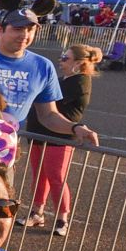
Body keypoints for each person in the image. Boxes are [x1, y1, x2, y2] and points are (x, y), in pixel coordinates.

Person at [0, 0, 100, 146]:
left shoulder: (43, 66)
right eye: (18, 29)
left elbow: (48, 115)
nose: (24, 35)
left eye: (30, 29)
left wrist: (75, 127)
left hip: (5, 152)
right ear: (1, 29)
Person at [23, 43, 100, 236]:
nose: (61, 60)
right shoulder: (62, 80)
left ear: (79, 63)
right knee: (39, 175)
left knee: (56, 178)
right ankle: (37, 212)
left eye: (66, 58)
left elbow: (49, 104)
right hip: (39, 134)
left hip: (59, 137)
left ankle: (62, 217)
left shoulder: (80, 82)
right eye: (62, 57)